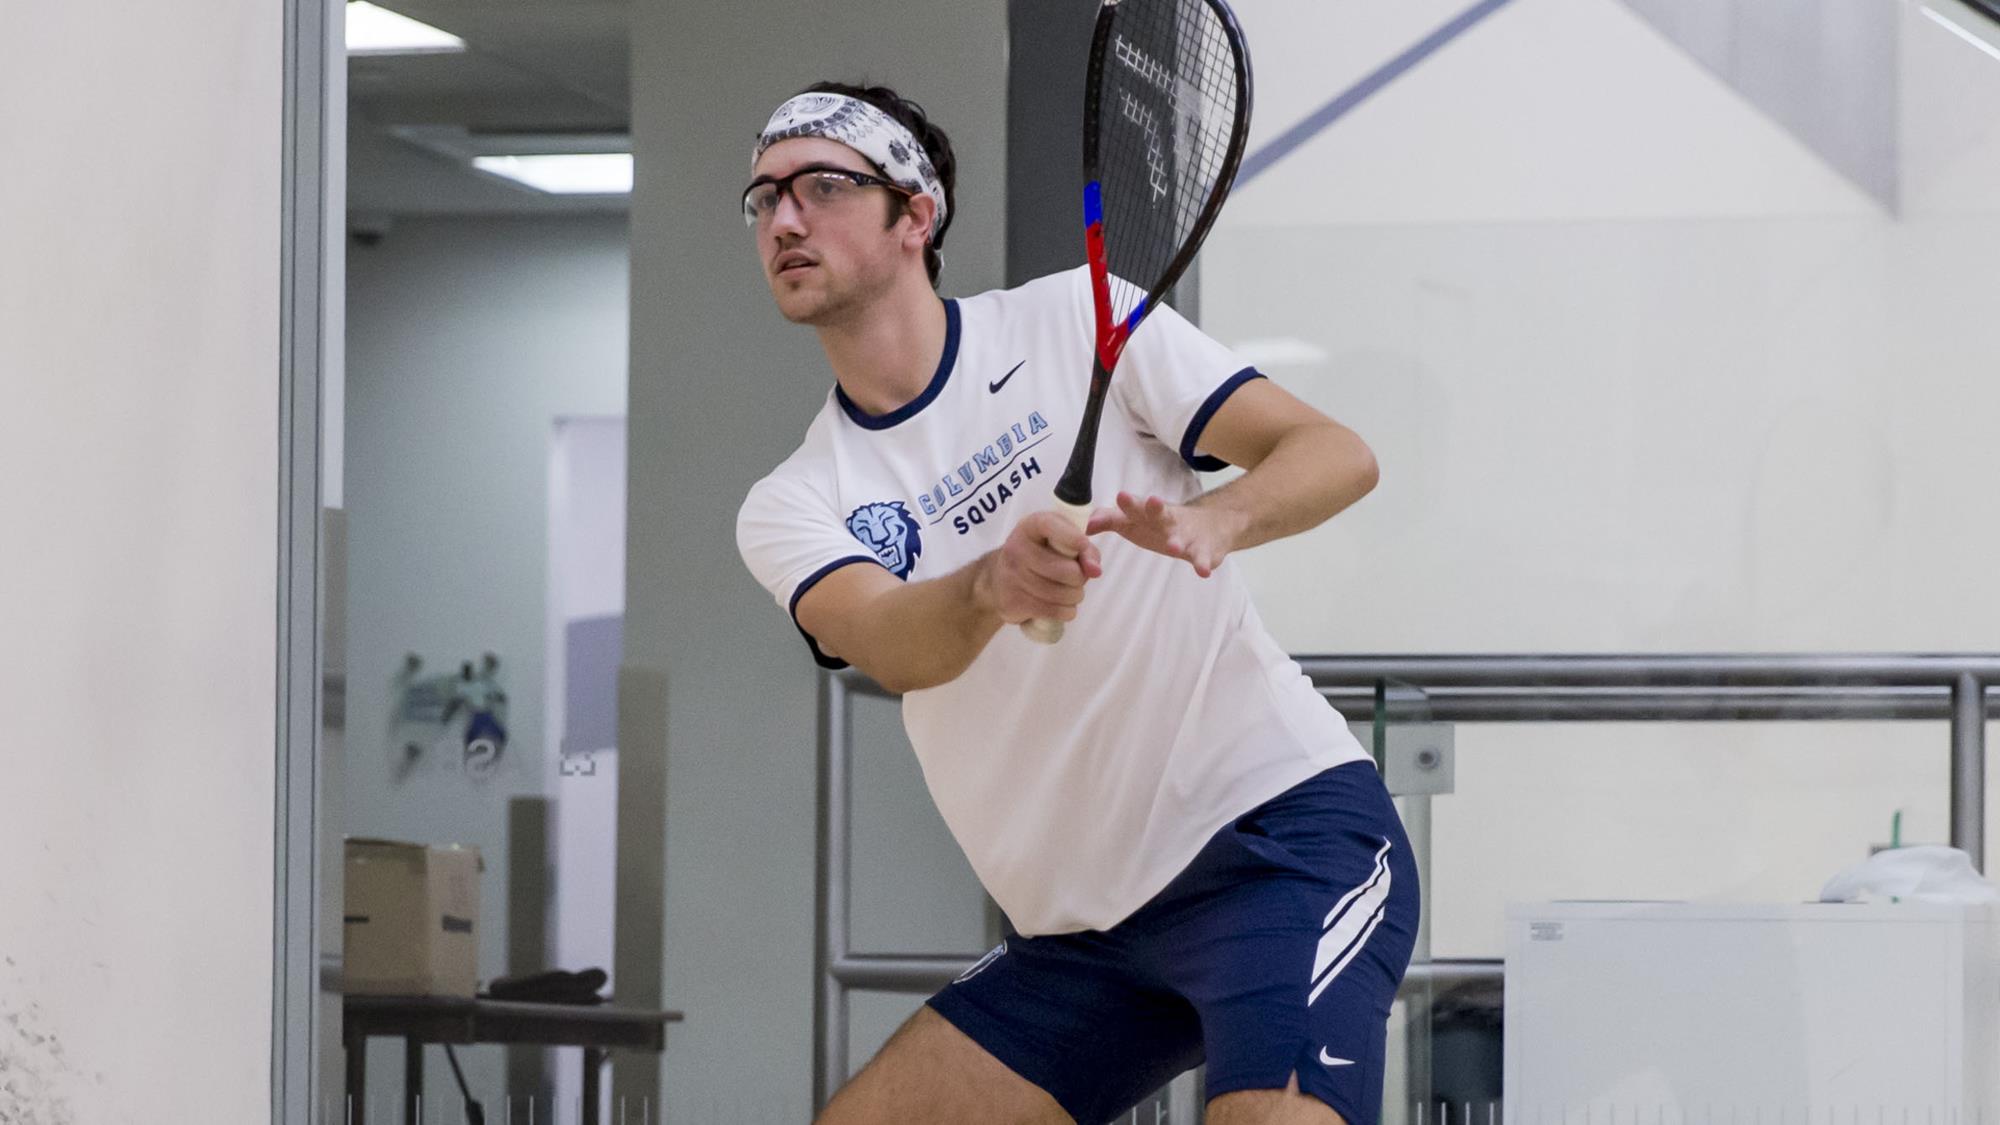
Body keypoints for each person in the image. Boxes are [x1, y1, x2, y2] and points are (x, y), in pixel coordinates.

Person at [734, 81, 1419, 1125]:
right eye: (763, 197)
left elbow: (1334, 452)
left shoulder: (1079, 316)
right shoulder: (792, 500)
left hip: (1277, 846)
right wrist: (988, 585)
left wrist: (1217, 520)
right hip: (1081, 938)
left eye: (822, 186)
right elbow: (891, 643)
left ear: (916, 213)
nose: (784, 219)